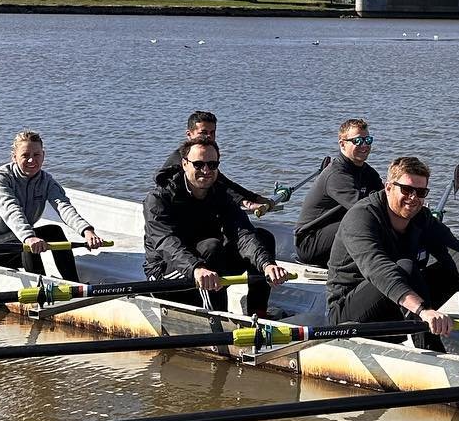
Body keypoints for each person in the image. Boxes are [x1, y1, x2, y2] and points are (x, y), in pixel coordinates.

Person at [326, 156, 459, 364]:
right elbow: (379, 270)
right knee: (405, 267)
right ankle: (433, 354)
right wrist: (423, 311)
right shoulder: (361, 217)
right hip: (350, 314)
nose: (413, 198)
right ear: (388, 187)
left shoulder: (421, 217)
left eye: (421, 192)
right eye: (407, 190)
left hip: (401, 302)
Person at [144, 137, 291, 317]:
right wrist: (196, 268)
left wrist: (266, 264)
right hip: (166, 270)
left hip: (207, 263)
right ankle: (216, 318)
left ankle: (257, 313)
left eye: (212, 165)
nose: (206, 170)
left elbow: (243, 234)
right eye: (198, 164)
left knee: (263, 238)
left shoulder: (220, 193)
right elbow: (167, 243)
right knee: (211, 247)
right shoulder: (158, 199)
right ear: (184, 164)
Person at [0, 130, 105, 279]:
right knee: (29, 245)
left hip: (15, 240)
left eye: (36, 155)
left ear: (43, 156)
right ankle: (41, 288)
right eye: (25, 155)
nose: (31, 160)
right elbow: (11, 209)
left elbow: (64, 206)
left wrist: (87, 231)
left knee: (54, 231)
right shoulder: (0, 177)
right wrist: (28, 237)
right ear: (14, 157)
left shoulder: (46, 181)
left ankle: (75, 283)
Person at [295, 119, 384, 267]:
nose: (364, 145)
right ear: (342, 144)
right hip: (310, 243)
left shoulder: (368, 172)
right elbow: (363, 209)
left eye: (368, 140)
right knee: (364, 219)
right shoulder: (336, 175)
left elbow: (386, 199)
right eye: (358, 141)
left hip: (335, 231)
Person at [157, 111, 273, 215]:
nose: (209, 137)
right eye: (203, 133)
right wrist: (245, 202)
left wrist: (255, 198)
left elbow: (224, 182)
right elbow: (221, 186)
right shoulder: (183, 161)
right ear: (189, 135)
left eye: (212, 133)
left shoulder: (207, 157)